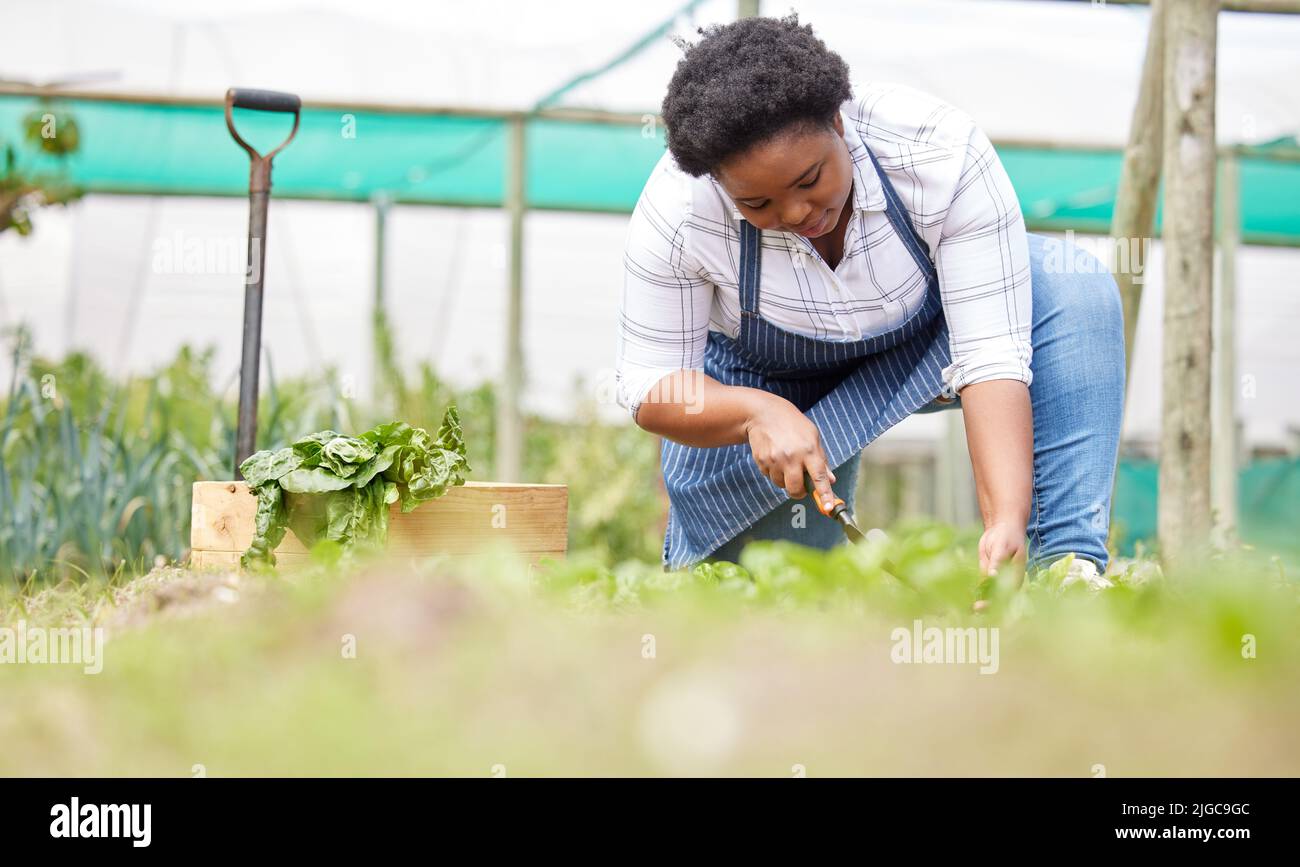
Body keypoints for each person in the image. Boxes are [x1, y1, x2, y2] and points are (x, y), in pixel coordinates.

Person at [615, 13, 1124, 588]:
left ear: (838, 120)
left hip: (927, 343)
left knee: (1069, 285)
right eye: (758, 204)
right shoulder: (679, 210)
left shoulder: (935, 152)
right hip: (763, 382)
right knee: (775, 593)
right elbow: (651, 383)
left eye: (810, 180)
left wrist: (1004, 518)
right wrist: (756, 412)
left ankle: (1066, 569)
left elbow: (990, 353)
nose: (796, 215)